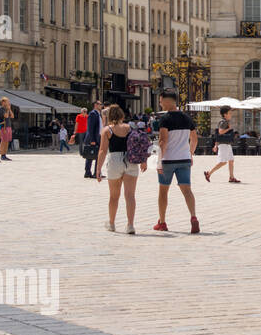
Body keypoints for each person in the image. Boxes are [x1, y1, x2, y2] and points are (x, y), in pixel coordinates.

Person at [153, 88, 199, 233]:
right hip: (184, 159)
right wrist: (190, 153)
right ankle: (193, 217)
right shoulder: (187, 118)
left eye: (161, 102)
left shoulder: (165, 119)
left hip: (169, 160)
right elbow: (194, 139)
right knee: (187, 190)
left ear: (167, 101)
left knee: (163, 191)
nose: (160, 105)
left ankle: (162, 222)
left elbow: (163, 141)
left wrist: (159, 161)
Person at [96, 104, 147, 233]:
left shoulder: (107, 130)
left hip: (114, 160)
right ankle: (130, 225)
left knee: (114, 196)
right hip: (130, 160)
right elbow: (139, 143)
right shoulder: (129, 128)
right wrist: (143, 160)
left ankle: (112, 223)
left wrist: (98, 169)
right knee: (130, 195)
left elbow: (102, 151)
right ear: (121, 115)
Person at [204, 105, 240, 184]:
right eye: (229, 113)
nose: (231, 115)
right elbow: (220, 132)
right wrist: (228, 129)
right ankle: (209, 173)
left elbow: (217, 134)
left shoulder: (226, 122)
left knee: (231, 160)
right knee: (223, 162)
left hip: (227, 144)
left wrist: (216, 145)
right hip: (224, 145)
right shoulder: (223, 122)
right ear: (225, 114)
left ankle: (231, 177)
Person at [83, 100, 103, 179]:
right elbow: (90, 128)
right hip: (94, 138)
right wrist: (92, 139)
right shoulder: (92, 114)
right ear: (95, 105)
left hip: (98, 137)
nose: (101, 106)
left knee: (96, 155)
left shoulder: (98, 114)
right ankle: (90, 172)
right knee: (90, 155)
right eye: (100, 104)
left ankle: (95, 172)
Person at [0, 97, 14, 163]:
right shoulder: (1, 109)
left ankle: (5, 154)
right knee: (3, 140)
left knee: (7, 141)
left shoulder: (6, 109)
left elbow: (12, 116)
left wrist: (9, 109)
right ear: (3, 102)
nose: (8, 103)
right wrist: (8, 110)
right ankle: (2, 155)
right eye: (7, 101)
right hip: (3, 127)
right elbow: (6, 116)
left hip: (8, 126)